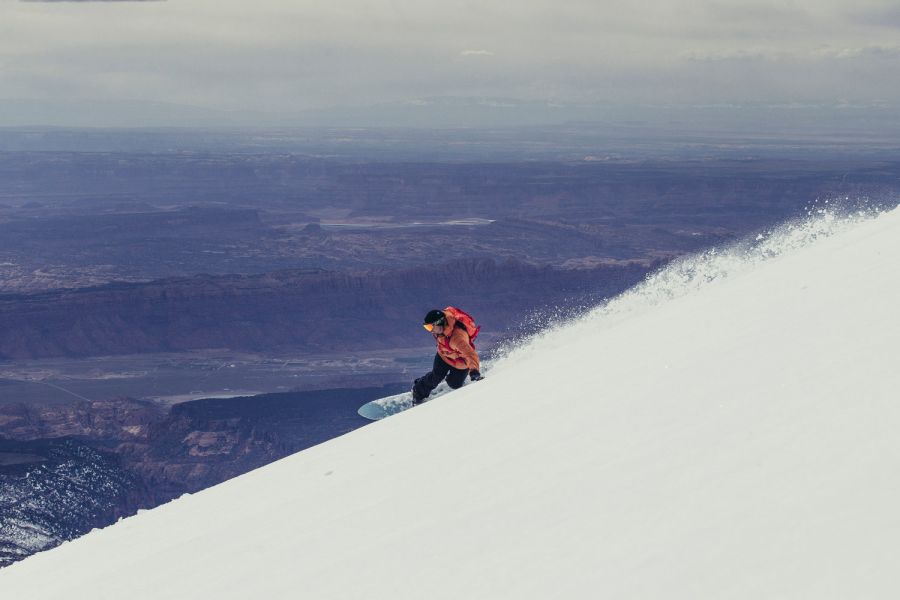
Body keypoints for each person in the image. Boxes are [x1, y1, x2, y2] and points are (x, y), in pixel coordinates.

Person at [412, 307, 484, 405]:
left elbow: (470, 354)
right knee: (436, 376)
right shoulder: (441, 330)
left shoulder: (457, 338)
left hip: (460, 363)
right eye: (427, 328)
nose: (431, 331)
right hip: (444, 356)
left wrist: (474, 371)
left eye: (430, 327)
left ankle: (450, 379)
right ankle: (418, 392)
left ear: (439, 323)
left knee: (455, 384)